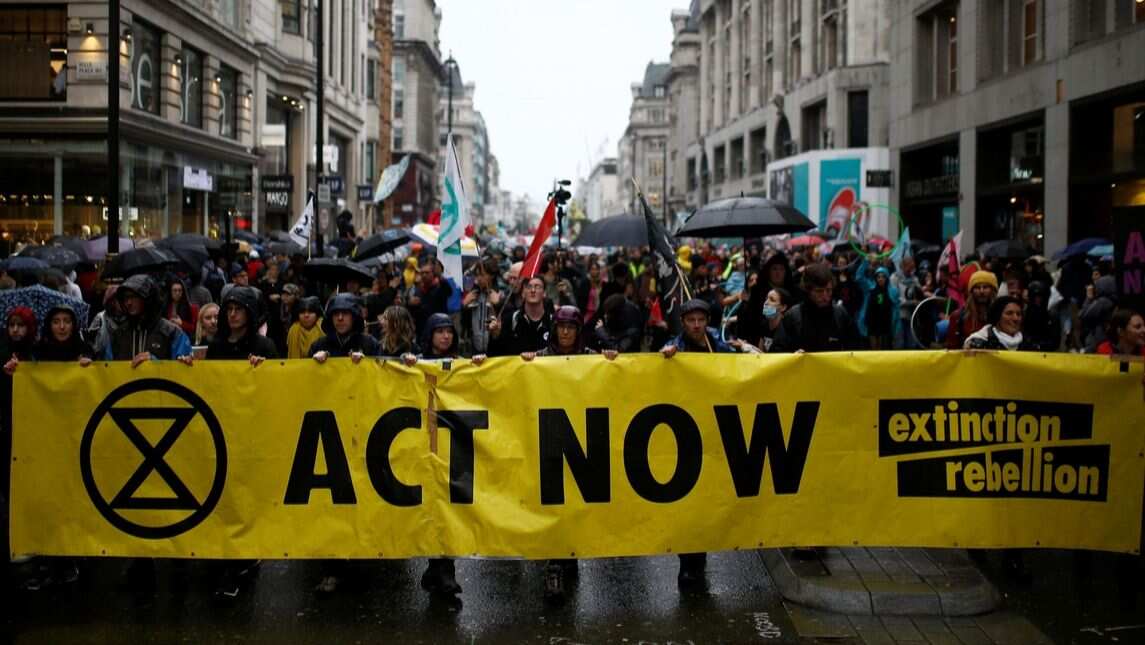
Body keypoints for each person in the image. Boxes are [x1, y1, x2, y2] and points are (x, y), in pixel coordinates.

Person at [520, 305, 616, 601]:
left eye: (570, 328)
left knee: (574, 503)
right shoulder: (542, 358)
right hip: (550, 440)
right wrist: (525, 363)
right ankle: (555, 565)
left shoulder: (589, 358)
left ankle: (568, 556)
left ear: (578, 331)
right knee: (554, 503)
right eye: (561, 327)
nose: (565, 332)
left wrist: (610, 360)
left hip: (582, 441)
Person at [400, 313, 486, 597]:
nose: (446, 337)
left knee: (449, 506)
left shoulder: (460, 362)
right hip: (424, 443)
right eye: (440, 332)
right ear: (430, 335)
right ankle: (435, 567)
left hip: (453, 445)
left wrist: (477, 367)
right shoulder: (415, 360)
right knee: (430, 506)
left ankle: (444, 569)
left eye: (449, 331)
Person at [203, 285, 274, 597]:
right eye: (228, 310)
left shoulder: (264, 345)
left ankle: (243, 555)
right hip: (222, 428)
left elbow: (280, 383)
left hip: (251, 430)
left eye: (238, 310)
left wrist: (264, 370)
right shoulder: (216, 345)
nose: (232, 315)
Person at [658, 299, 734, 587]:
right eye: (691, 320)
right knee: (687, 502)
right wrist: (666, 359)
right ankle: (688, 563)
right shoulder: (674, 346)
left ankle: (699, 558)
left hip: (713, 429)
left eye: (701, 320)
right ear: (683, 322)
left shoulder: (719, 344)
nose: (697, 325)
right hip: (686, 433)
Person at [770, 263, 862, 353]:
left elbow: (857, 349)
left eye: (828, 290)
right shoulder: (793, 316)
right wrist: (792, 357)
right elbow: (777, 352)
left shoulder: (840, 314)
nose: (825, 296)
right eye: (819, 291)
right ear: (808, 290)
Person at [105, 274, 194, 365]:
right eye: (126, 298)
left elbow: (182, 369)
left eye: (134, 296)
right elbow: (106, 369)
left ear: (147, 298)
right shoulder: (118, 335)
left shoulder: (171, 332)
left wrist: (154, 362)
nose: (129, 302)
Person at [490, 276, 553, 356]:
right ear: (523, 292)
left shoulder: (552, 321)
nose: (533, 290)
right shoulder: (510, 319)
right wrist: (496, 336)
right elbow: (497, 355)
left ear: (544, 293)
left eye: (537, 287)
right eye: (528, 287)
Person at [309, 293, 380, 363]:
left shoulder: (370, 344)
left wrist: (366, 362)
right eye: (336, 313)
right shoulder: (318, 346)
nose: (340, 318)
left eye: (345, 313)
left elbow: (381, 371)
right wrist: (313, 363)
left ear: (354, 316)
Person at [945, 270, 998, 350]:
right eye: (977, 287)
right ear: (971, 291)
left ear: (992, 290)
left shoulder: (1001, 316)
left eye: (985, 287)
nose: (981, 291)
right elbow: (951, 349)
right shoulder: (957, 317)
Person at [460, 258, 502, 356]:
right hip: (474, 350)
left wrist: (498, 305)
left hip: (494, 352)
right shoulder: (473, 294)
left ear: (492, 275)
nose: (478, 278)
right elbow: (464, 322)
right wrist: (464, 305)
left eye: (482, 275)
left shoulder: (500, 294)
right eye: (477, 275)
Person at [964, 296, 1035, 350]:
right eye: (1009, 313)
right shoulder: (977, 344)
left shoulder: (1029, 345)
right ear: (997, 317)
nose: (1015, 318)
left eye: (1018, 314)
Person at [856, 259, 899, 350]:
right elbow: (859, 277)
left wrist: (896, 325)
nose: (880, 279)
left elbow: (896, 310)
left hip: (886, 325)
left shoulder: (893, 291)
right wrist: (866, 261)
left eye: (883, 277)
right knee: (874, 351)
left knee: (884, 351)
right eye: (878, 277)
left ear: (886, 278)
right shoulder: (870, 288)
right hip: (872, 324)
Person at [406, 259, 452, 336]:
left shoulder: (440, 287)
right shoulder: (418, 290)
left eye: (427, 273)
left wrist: (439, 275)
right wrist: (410, 304)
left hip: (438, 329)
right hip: (422, 330)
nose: (424, 275)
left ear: (433, 274)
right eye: (422, 273)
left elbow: (448, 291)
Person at [1080, 275, 1118, 353]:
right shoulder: (1115, 299)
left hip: (1098, 339)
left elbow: (1083, 315)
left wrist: (1088, 298)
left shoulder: (1103, 302)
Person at [1022, 281, 1061, 352]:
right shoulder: (1023, 315)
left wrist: (1039, 346)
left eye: (1041, 297)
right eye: (1035, 297)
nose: (1038, 300)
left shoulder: (1052, 316)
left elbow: (1055, 342)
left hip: (1046, 354)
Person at [757, 287, 792, 352]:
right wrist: (745, 346)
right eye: (766, 299)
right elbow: (760, 353)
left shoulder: (787, 329)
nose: (766, 302)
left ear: (783, 307)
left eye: (772, 300)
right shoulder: (764, 324)